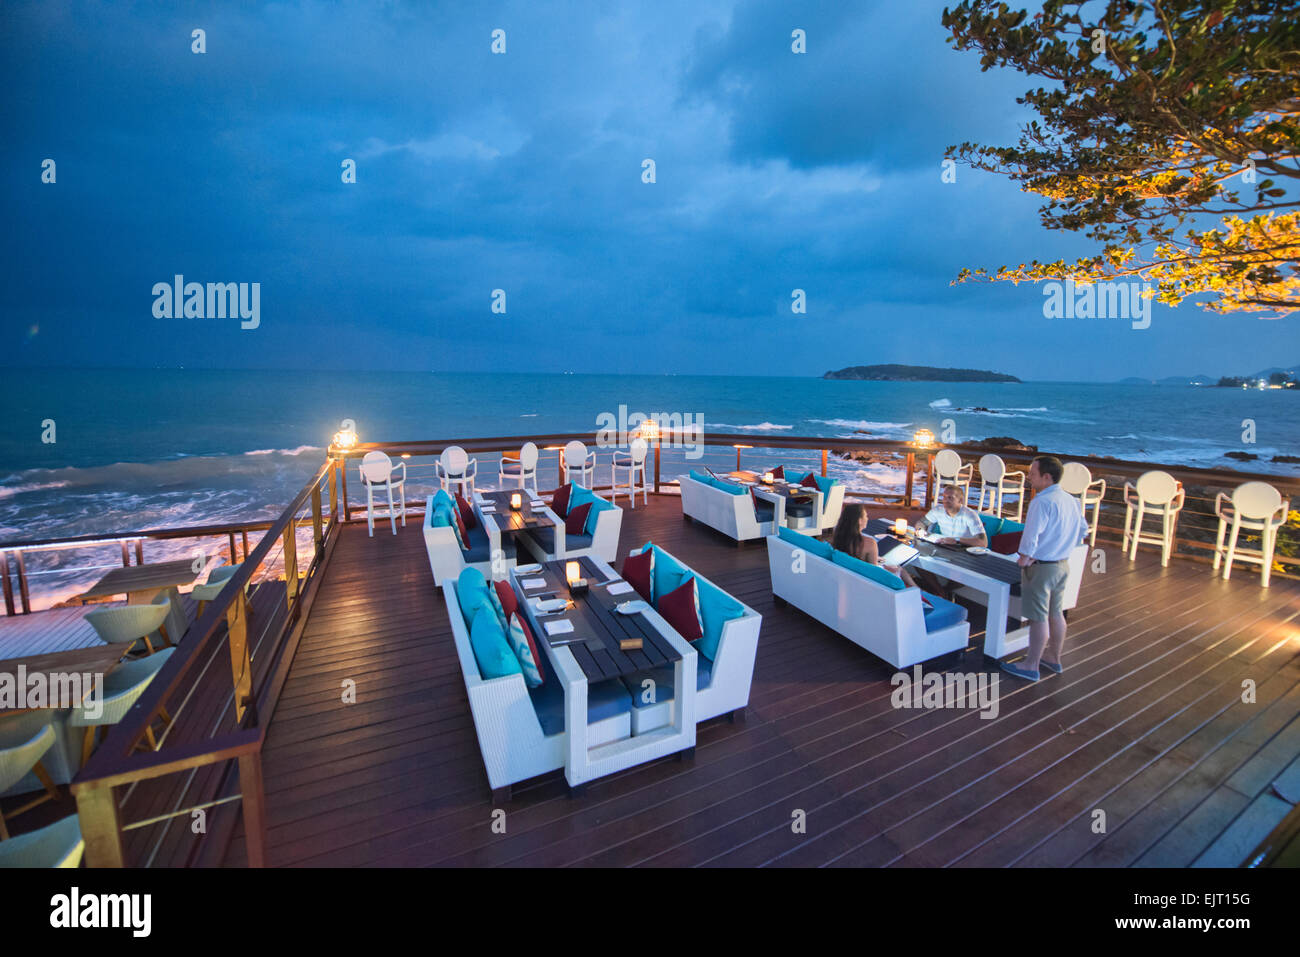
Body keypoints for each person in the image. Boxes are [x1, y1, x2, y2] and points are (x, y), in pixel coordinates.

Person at [1001, 455, 1089, 681]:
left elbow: (1031, 536)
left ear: (1046, 477)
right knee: (1056, 614)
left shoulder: (1041, 502)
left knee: (1038, 617)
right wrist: (1062, 544)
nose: (1029, 477)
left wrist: (1024, 559)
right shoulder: (1071, 500)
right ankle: (1053, 658)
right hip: (1062, 565)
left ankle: (1031, 665)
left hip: (1041, 567)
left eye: (1032, 473)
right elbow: (1083, 531)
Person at [830, 504, 918, 588]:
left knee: (893, 566)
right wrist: (888, 569)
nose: (867, 519)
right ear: (859, 521)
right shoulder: (869, 543)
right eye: (866, 516)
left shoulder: (838, 538)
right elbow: (875, 573)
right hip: (867, 581)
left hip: (851, 574)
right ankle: (919, 594)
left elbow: (853, 556)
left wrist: (876, 558)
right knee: (900, 569)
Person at [917, 484, 987, 547]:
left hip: (965, 549)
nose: (945, 500)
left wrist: (956, 540)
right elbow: (922, 523)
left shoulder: (970, 515)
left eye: (950, 498)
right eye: (944, 497)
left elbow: (983, 543)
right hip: (946, 546)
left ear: (960, 500)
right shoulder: (937, 510)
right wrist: (920, 530)